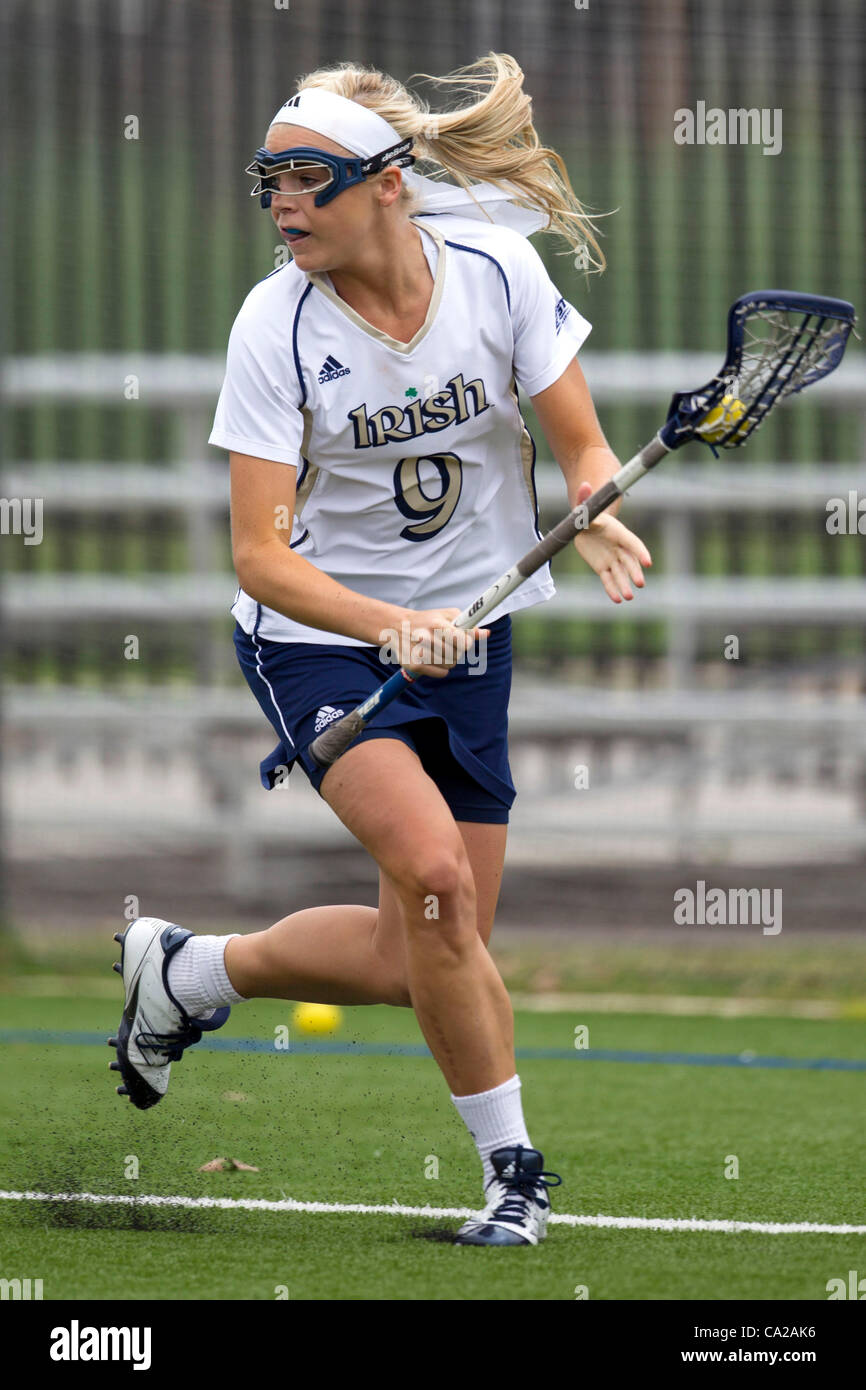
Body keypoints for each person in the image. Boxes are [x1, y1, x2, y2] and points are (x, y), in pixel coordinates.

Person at [109, 53, 652, 1248]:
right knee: (436, 883)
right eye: (271, 181)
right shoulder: (276, 325)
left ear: (388, 183)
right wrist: (386, 625)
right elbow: (259, 556)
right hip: (316, 642)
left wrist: (598, 503)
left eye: (310, 177)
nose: (284, 204)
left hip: (472, 638)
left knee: (425, 954)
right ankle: (514, 1174)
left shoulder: (495, 272)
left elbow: (580, 447)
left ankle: (192, 973)